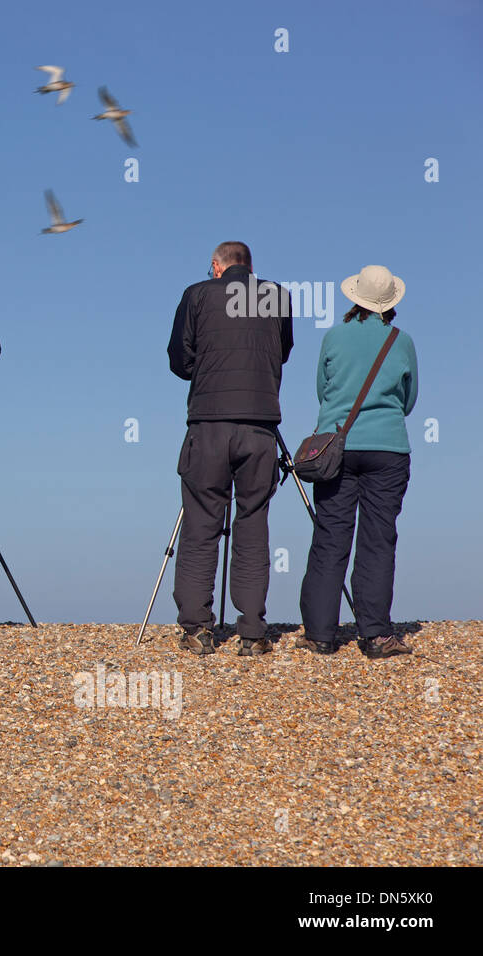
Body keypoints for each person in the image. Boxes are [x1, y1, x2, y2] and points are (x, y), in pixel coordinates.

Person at [167, 242, 293, 656]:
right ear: (250, 268)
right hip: (260, 426)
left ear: (217, 268)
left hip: (209, 423)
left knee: (202, 523)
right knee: (253, 525)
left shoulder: (197, 295)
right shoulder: (277, 296)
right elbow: (283, 352)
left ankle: (197, 629)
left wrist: (206, 366)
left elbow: (178, 360)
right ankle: (253, 632)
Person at [298, 266, 418, 659]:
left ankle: (319, 633)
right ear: (390, 304)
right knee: (378, 538)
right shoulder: (402, 342)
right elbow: (409, 399)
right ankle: (376, 634)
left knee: (330, 536)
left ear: (356, 299)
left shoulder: (333, 336)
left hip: (338, 445)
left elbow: (322, 390)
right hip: (388, 448)